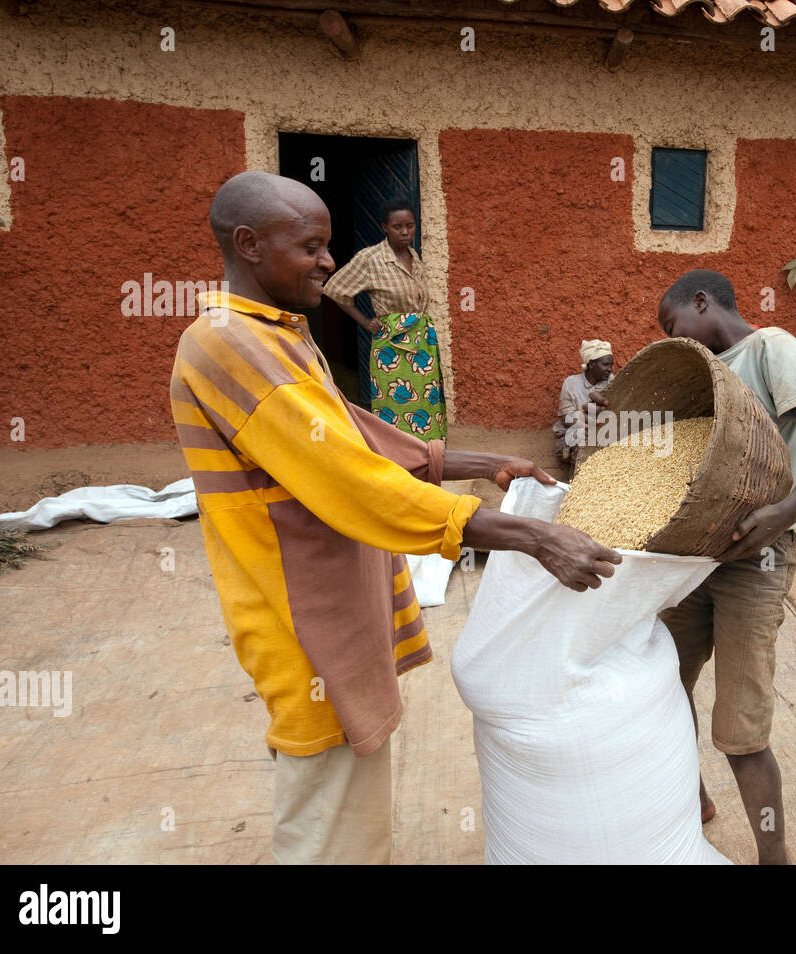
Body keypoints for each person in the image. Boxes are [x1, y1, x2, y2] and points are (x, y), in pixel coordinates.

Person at [170, 171, 621, 864]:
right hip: (304, 625)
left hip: (330, 613)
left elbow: (355, 433)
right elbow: (352, 481)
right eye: (311, 247)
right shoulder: (230, 344)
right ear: (249, 244)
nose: (328, 262)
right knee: (331, 836)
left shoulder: (275, 334)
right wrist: (531, 536)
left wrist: (483, 462)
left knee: (347, 813)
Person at [655, 268, 796, 865]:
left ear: (703, 302)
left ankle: (773, 857)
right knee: (664, 685)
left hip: (757, 561)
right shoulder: (702, 373)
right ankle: (694, 797)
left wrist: (788, 508)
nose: (675, 340)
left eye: (674, 325)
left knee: (741, 726)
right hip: (696, 557)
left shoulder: (769, 347)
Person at [321, 198, 448, 440]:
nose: (405, 232)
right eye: (397, 226)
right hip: (392, 344)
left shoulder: (414, 257)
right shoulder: (371, 258)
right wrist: (365, 321)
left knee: (426, 397)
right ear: (384, 227)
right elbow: (335, 290)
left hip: (422, 341)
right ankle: (397, 451)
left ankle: (428, 450)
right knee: (395, 400)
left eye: (410, 225)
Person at [553, 339, 614, 476]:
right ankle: (577, 481)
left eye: (611, 365)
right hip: (572, 431)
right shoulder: (571, 383)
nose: (609, 369)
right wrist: (583, 421)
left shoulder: (612, 382)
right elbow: (566, 417)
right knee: (582, 445)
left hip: (603, 431)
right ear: (591, 364)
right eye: (605, 364)